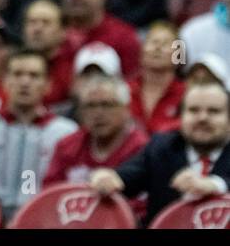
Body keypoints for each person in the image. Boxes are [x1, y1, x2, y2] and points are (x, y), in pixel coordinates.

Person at [0, 49, 78, 219]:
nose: (25, 82)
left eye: (34, 76)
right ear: (5, 81)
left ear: (47, 85)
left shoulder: (66, 132)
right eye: (17, 74)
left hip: (45, 220)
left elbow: (66, 187)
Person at [90, 82, 230, 224]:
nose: (202, 118)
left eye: (214, 111)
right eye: (193, 110)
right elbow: (126, 177)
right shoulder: (162, 147)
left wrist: (215, 185)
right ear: (180, 117)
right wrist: (109, 178)